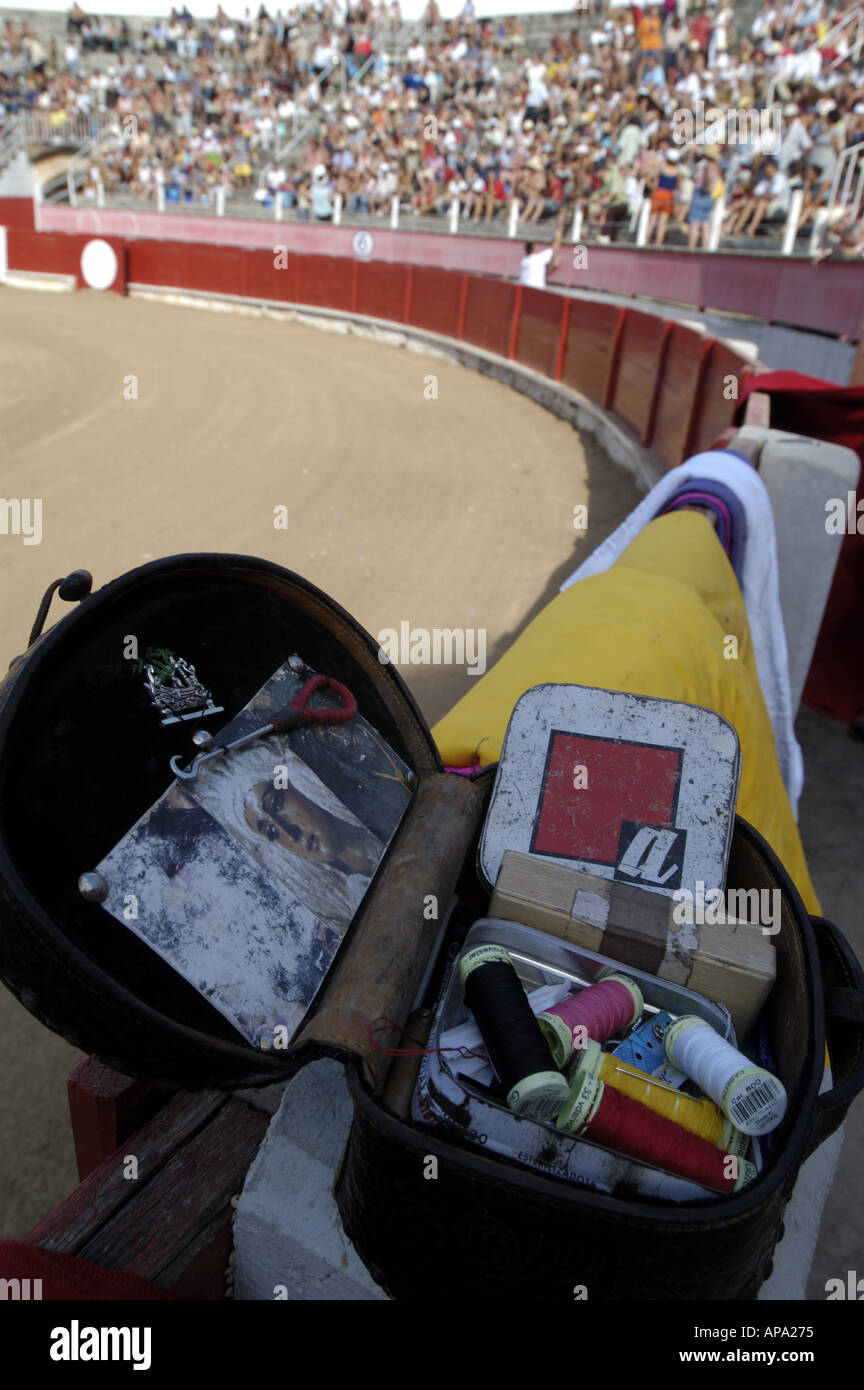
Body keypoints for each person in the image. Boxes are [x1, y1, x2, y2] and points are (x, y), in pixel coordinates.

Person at [518, 215, 564, 288]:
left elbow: (538, 267)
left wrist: (553, 265)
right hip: (536, 290)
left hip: (524, 290)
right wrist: (559, 229)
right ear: (534, 249)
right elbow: (556, 246)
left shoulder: (524, 261)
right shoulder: (539, 258)